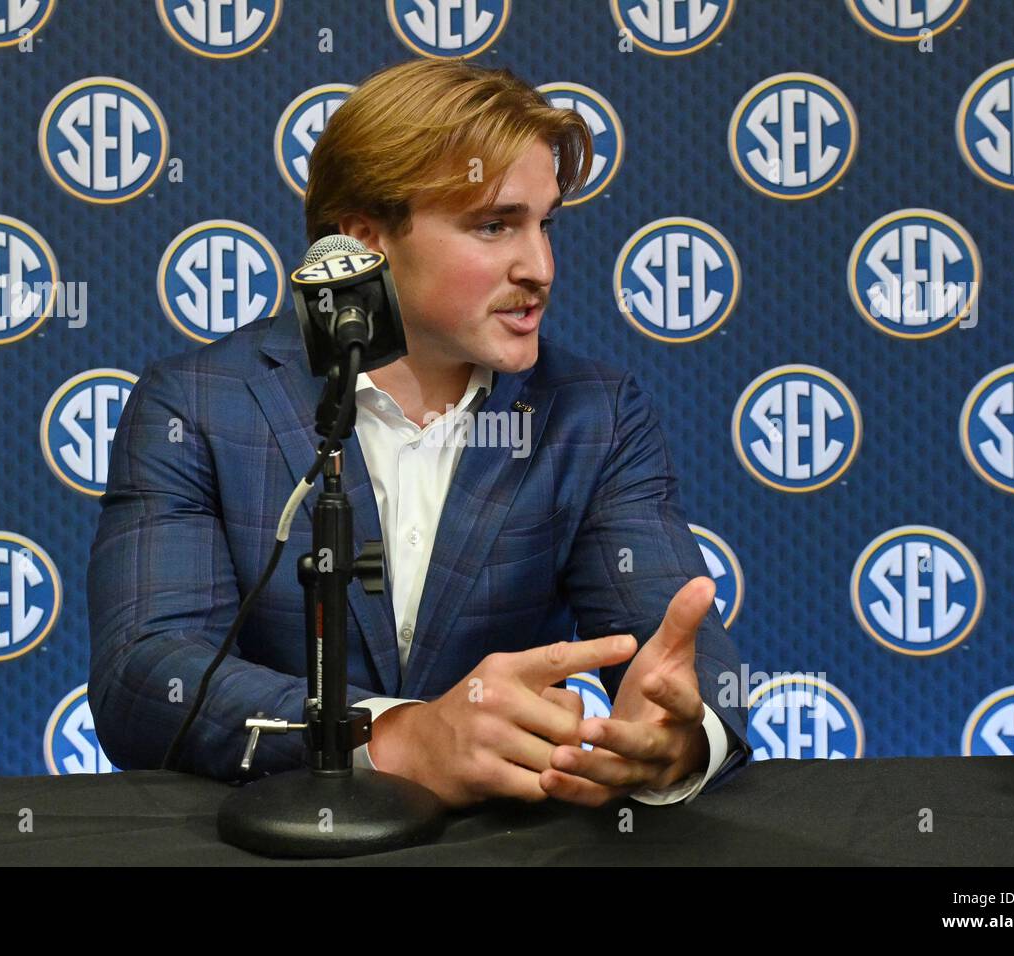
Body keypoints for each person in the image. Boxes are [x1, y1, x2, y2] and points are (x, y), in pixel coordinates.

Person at [87, 57, 750, 809]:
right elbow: (145, 677)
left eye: (545, 225)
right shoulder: (198, 404)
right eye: (494, 225)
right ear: (365, 239)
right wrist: (396, 737)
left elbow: (681, 670)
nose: (540, 267)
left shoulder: (595, 413)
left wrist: (676, 740)